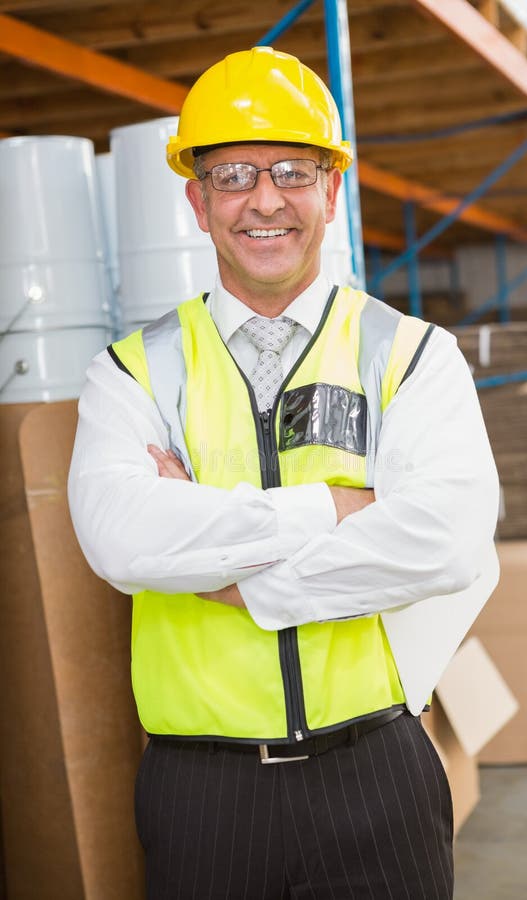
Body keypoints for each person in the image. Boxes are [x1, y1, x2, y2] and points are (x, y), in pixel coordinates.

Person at [68, 46, 499, 900]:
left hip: (377, 772)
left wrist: (225, 567)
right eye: (232, 174)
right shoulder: (130, 372)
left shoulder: (412, 357)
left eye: (293, 170)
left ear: (331, 191)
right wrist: (337, 509)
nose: (264, 199)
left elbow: (444, 542)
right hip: (203, 792)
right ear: (197, 200)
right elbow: (121, 540)